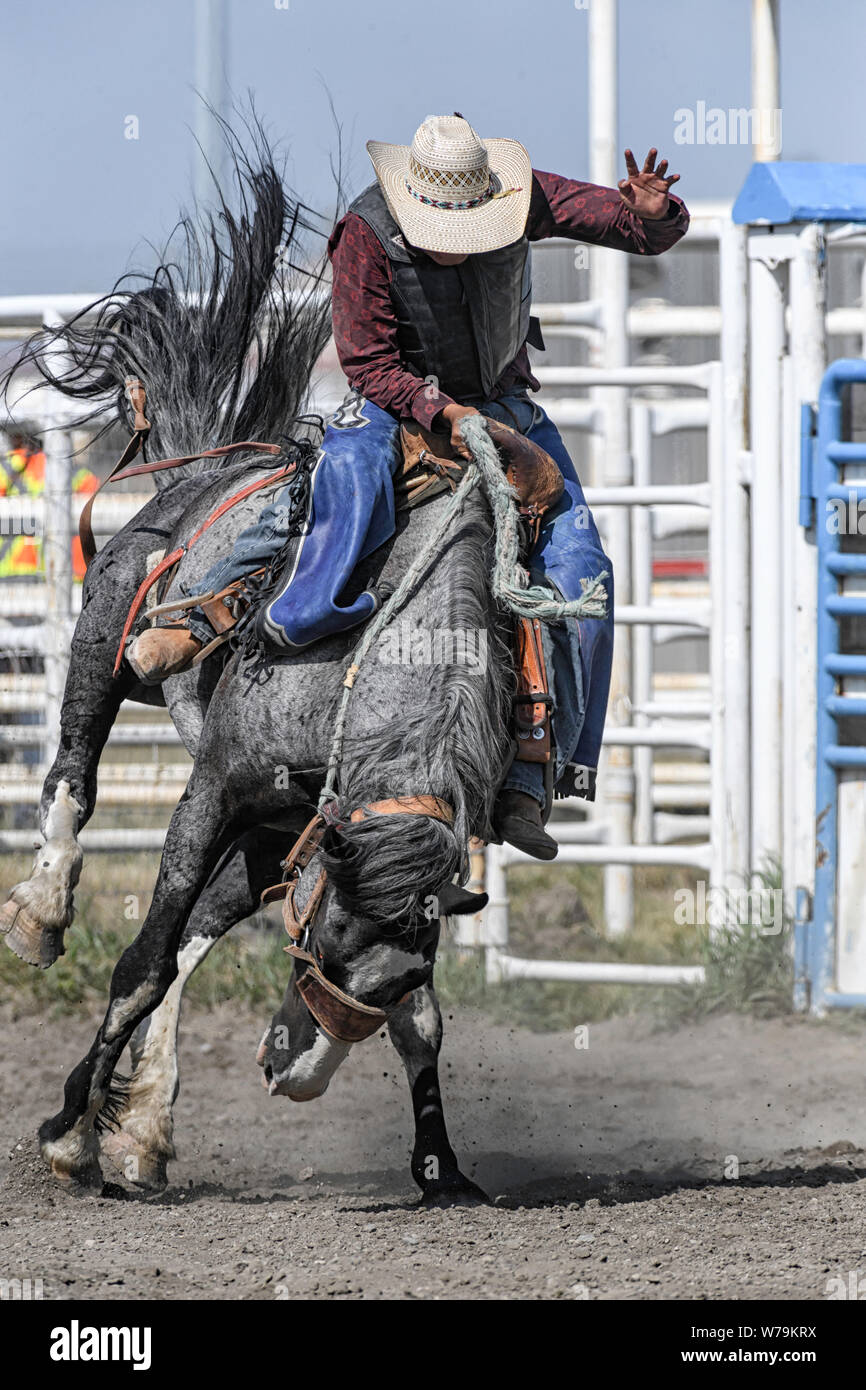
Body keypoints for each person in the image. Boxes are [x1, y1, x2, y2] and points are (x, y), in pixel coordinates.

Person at [127, 114, 688, 857]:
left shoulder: (519, 196)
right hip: (399, 402)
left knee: (585, 569)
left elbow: (627, 227)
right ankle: (229, 611)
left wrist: (656, 215)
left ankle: (543, 770)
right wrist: (442, 412)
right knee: (338, 483)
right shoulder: (366, 233)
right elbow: (367, 363)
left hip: (505, 405)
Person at [0, 433, 97, 579]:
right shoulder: (67, 468)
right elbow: (92, 488)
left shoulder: (10, 465)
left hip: (11, 569)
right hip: (56, 572)